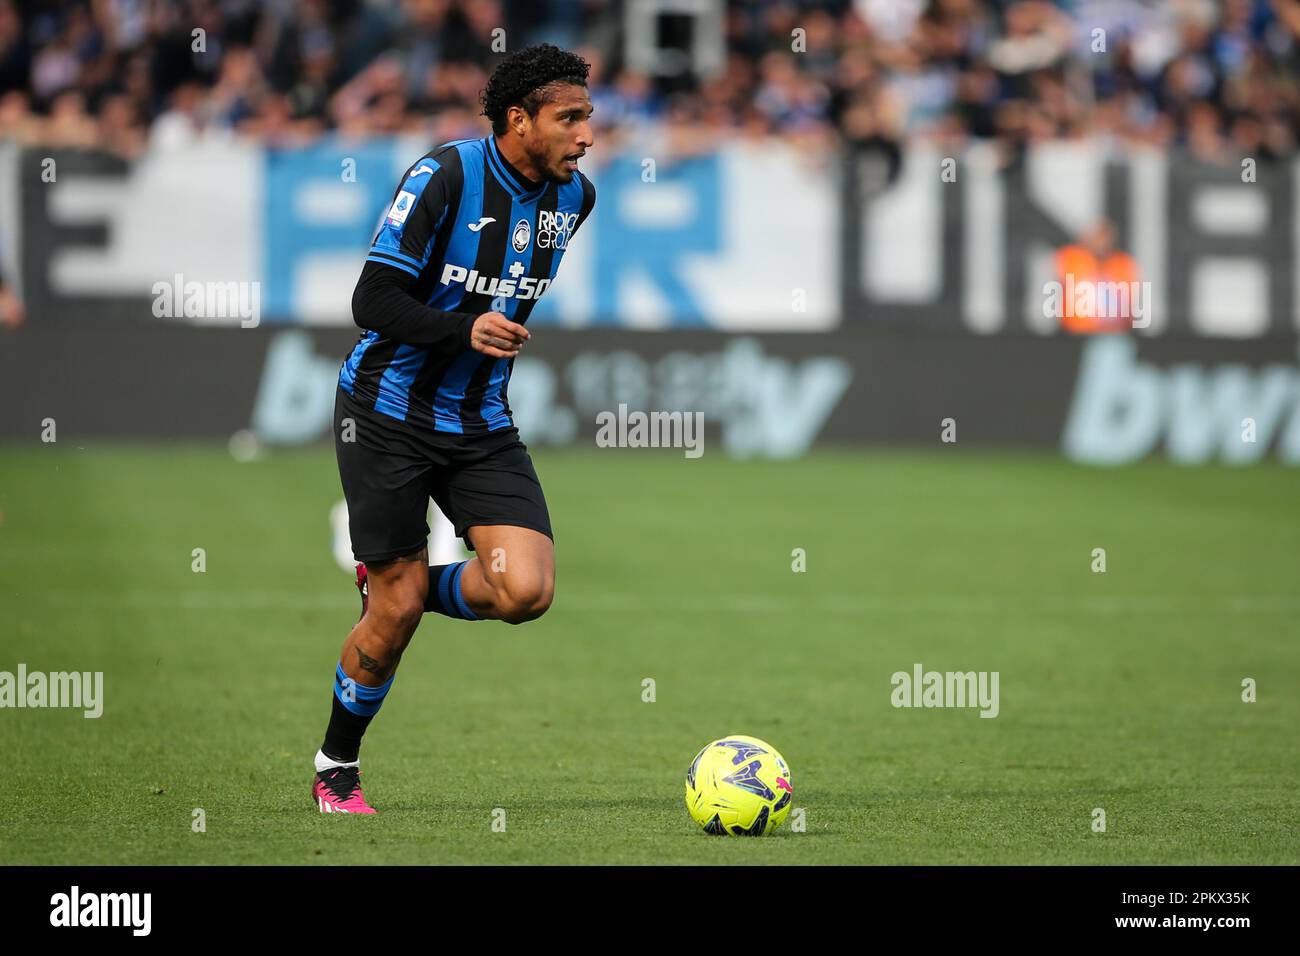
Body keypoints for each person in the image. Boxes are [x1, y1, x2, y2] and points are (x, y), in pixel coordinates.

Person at [313, 44, 596, 814]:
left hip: (480, 421)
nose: (585, 136)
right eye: (568, 119)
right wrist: (463, 329)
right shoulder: (443, 175)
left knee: (526, 590)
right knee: (396, 620)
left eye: (587, 119)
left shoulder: (576, 200)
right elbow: (371, 302)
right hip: (386, 412)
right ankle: (337, 765)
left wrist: (483, 336)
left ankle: (394, 587)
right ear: (519, 119)